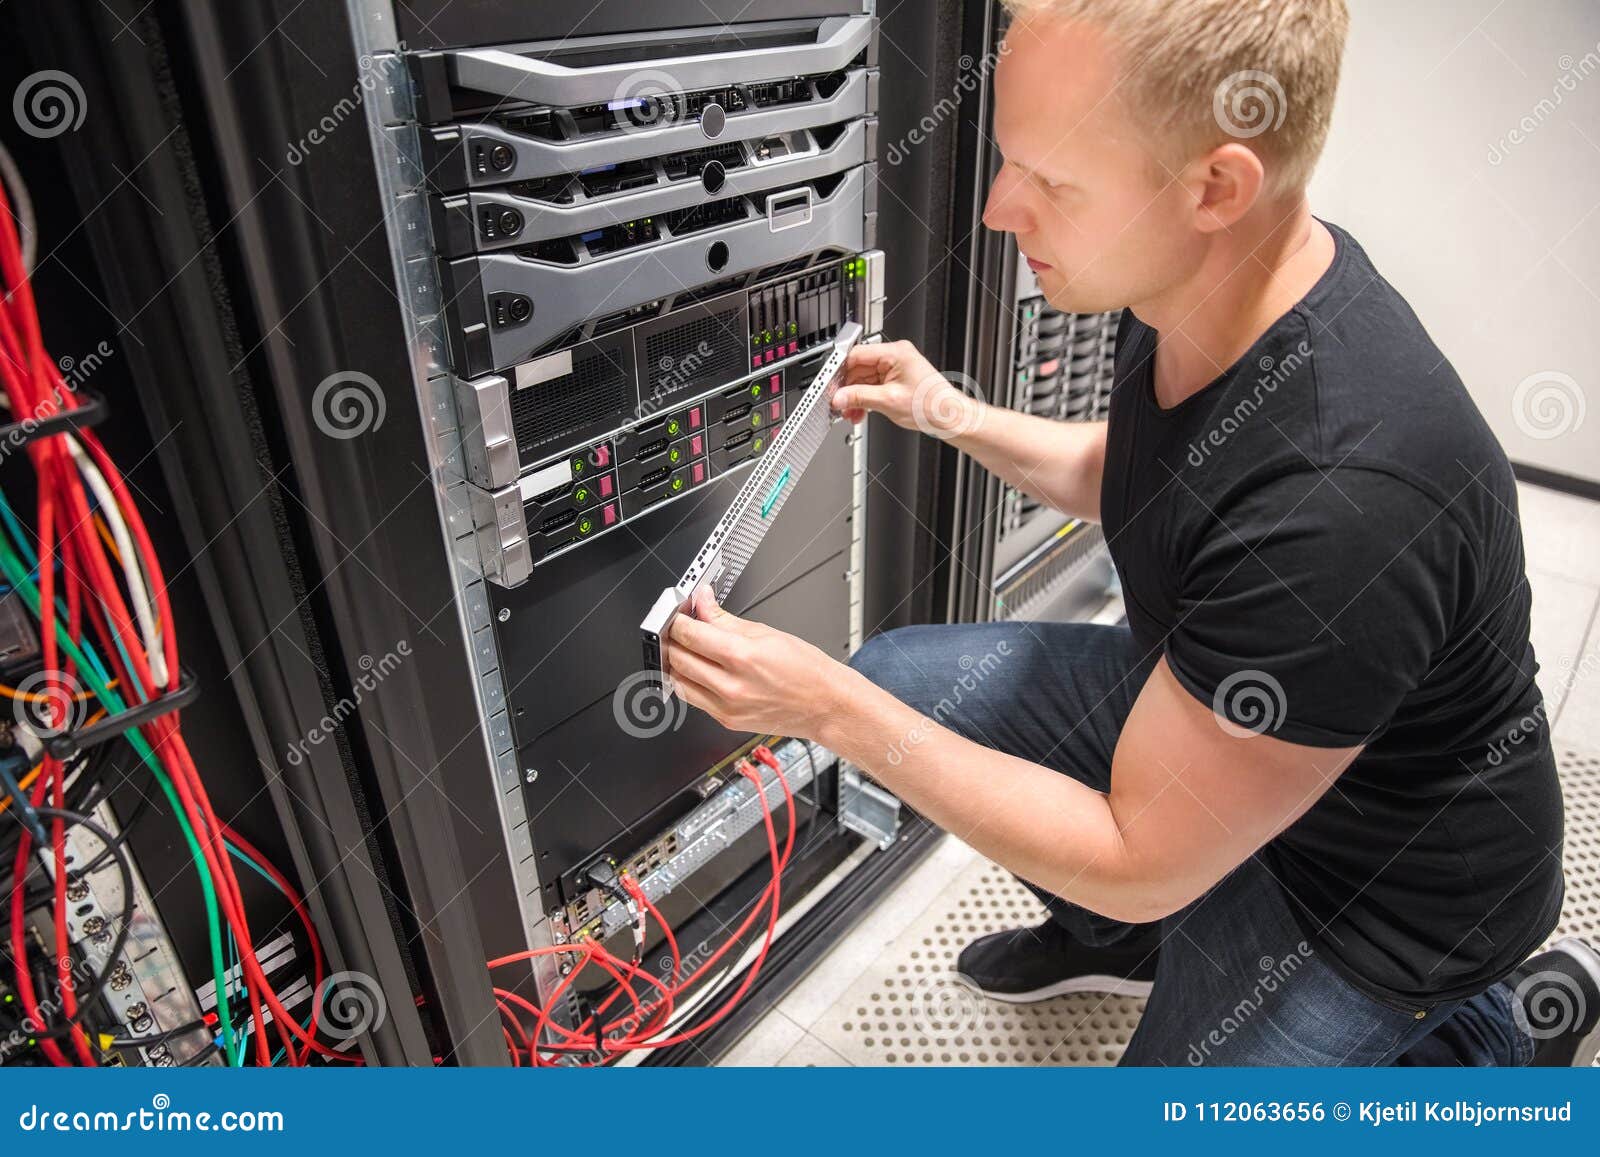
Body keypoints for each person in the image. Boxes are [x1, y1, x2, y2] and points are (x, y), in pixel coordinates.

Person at [662, 0, 1600, 1065]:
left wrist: (821, 706)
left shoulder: (1345, 495)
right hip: (1226, 735)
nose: (1001, 210)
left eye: (1051, 180)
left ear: (1215, 187)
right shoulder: (1201, 283)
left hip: (1377, 902)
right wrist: (948, 411)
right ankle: (1130, 947)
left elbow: (1134, 851)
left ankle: (1507, 1025)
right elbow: (1151, 474)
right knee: (910, 680)